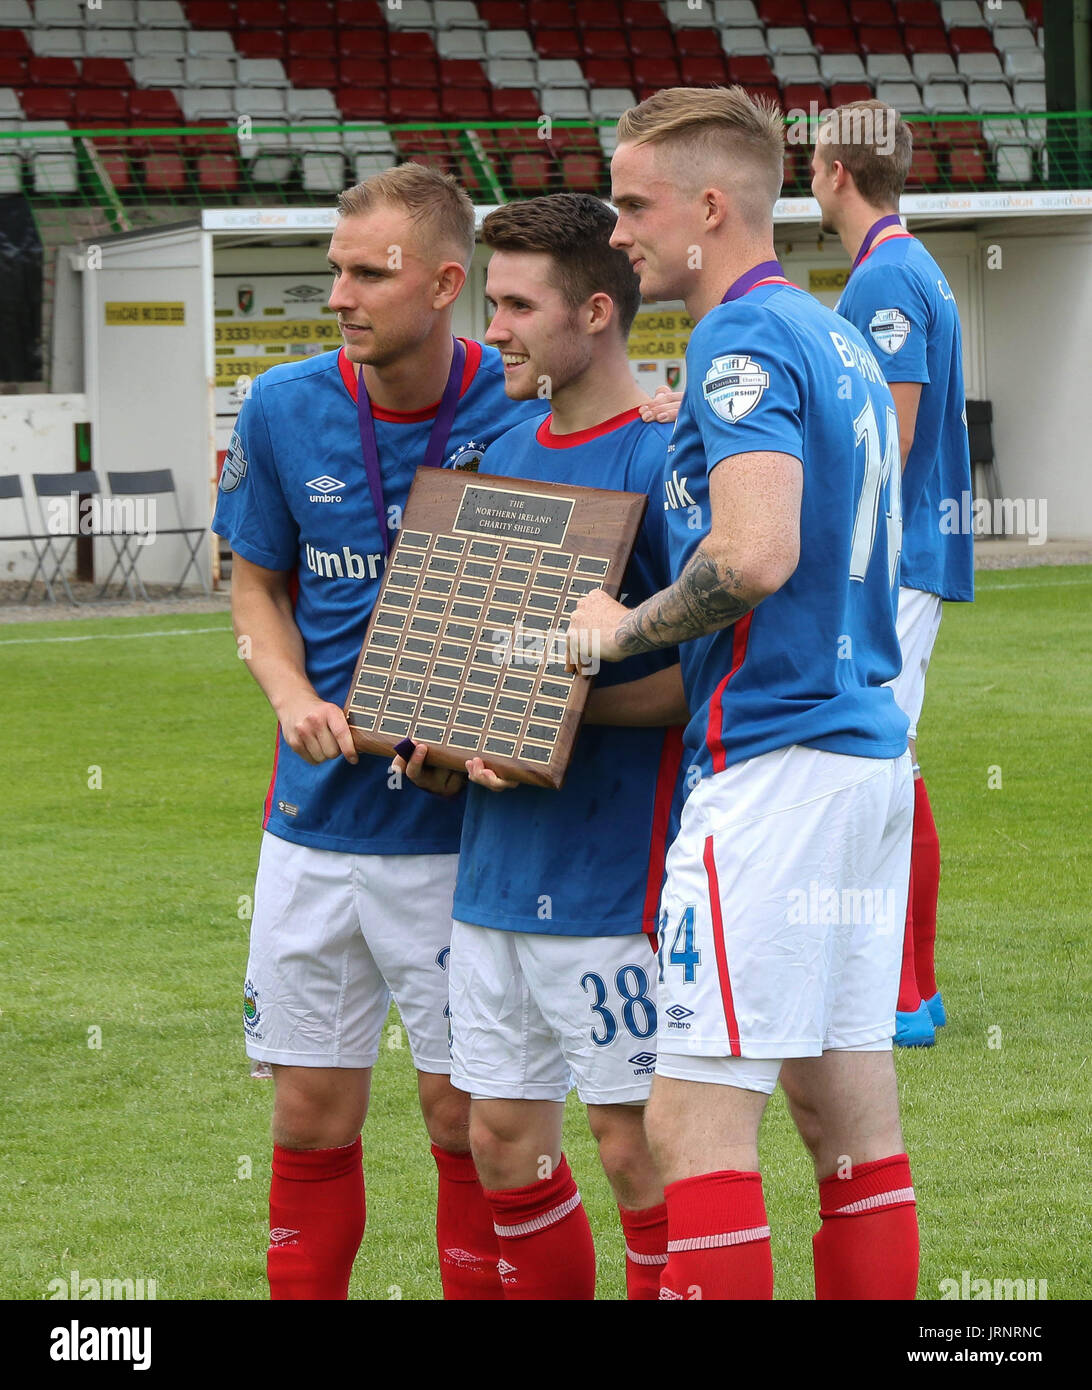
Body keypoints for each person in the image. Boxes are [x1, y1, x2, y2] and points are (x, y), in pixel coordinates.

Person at [569, 86, 919, 1300]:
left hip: (772, 767)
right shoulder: (832, 338)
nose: (618, 231)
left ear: (709, 208)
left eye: (633, 203)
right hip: (867, 758)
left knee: (692, 1133)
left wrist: (617, 631)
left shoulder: (743, 338)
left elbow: (754, 555)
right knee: (847, 1123)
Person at [212, 163, 549, 1300]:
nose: (342, 296)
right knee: (308, 1116)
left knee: (463, 1119)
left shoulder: (522, 409)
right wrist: (290, 696)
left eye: (370, 272)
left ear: (446, 282)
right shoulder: (282, 405)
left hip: (462, 838)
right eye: (335, 271)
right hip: (312, 826)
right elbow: (255, 585)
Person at [396, 192, 688, 1300]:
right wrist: (436, 733)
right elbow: (463, 651)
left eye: (516, 304)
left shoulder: (666, 456)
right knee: (500, 1143)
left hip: (614, 872)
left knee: (633, 1144)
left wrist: (547, 726)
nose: (494, 328)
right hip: (493, 870)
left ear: (598, 310)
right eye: (490, 298)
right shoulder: (498, 446)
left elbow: (694, 680)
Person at [811, 100, 974, 1047]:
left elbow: (889, 441)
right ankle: (911, 987)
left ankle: (906, 993)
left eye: (816, 159)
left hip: (897, 558)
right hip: (912, 553)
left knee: (883, 760)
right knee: (889, 759)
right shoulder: (905, 268)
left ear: (837, 171)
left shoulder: (884, 280)